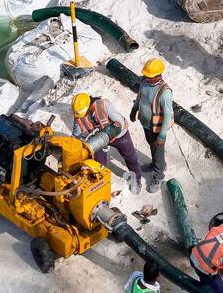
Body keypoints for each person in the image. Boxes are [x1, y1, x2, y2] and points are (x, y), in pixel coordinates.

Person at [71, 92, 142, 195]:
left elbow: (119, 123)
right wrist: (73, 146)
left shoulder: (103, 105)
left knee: (130, 156)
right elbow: (76, 135)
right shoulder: (79, 113)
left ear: (89, 106)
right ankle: (102, 184)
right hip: (96, 140)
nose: (81, 117)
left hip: (118, 135)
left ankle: (136, 178)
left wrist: (106, 135)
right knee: (99, 164)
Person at [130, 57, 174, 193]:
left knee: (158, 149)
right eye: (146, 76)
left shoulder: (165, 92)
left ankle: (159, 175)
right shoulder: (144, 83)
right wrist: (134, 110)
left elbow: (167, 115)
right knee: (152, 146)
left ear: (159, 75)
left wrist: (162, 135)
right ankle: (156, 164)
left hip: (158, 128)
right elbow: (139, 98)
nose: (147, 78)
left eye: (150, 77)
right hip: (146, 124)